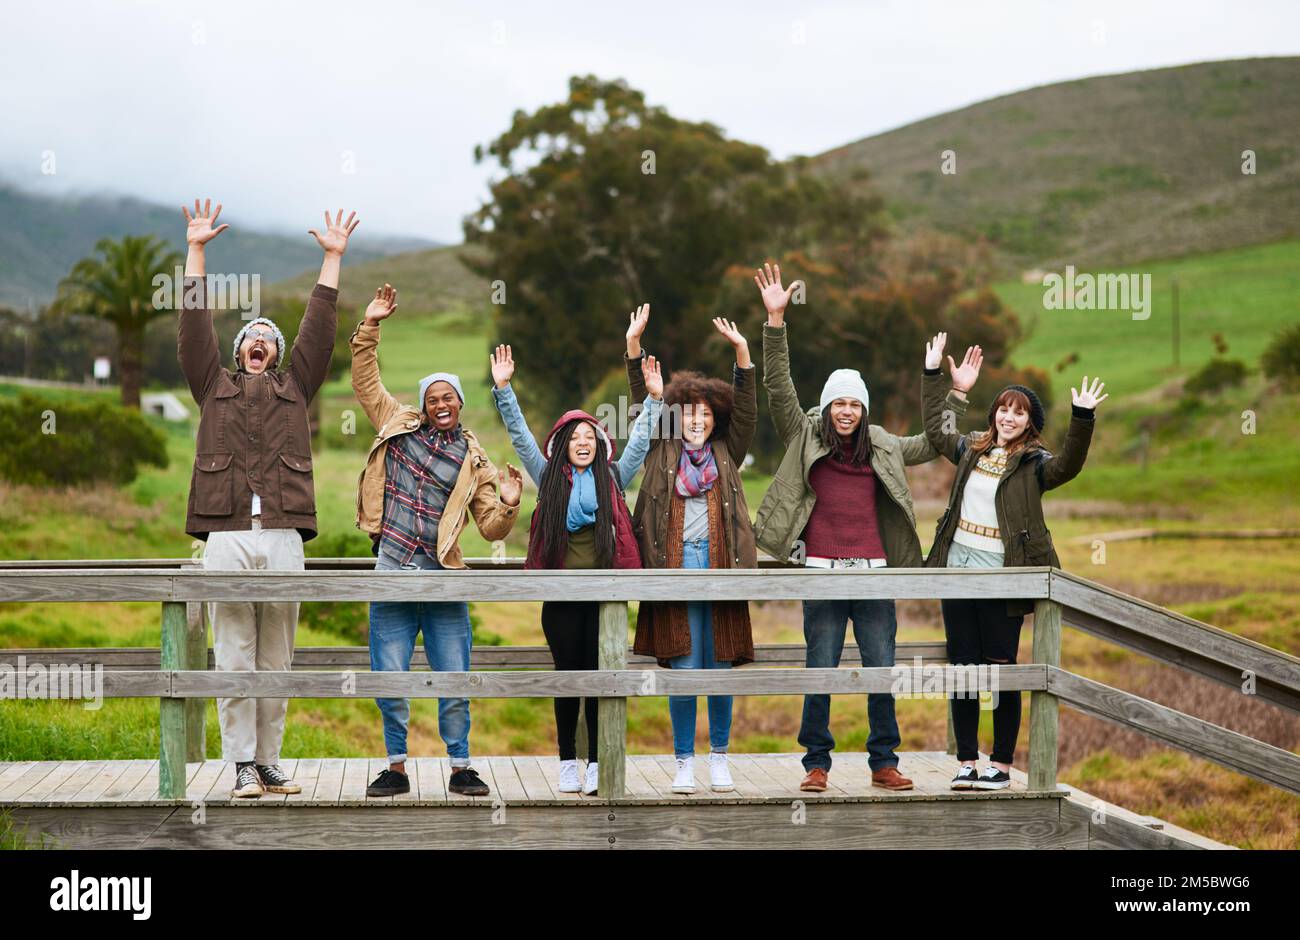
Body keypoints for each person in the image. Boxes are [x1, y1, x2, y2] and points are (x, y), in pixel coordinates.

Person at [751, 263, 970, 793]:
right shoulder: (804, 434)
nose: (847, 411)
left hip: (875, 574)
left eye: (855, 403)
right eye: (839, 403)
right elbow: (779, 387)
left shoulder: (884, 445)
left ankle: (883, 763)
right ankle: (816, 764)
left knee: (882, 669)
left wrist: (950, 392)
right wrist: (776, 323)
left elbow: (937, 443)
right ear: (827, 407)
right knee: (820, 668)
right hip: (820, 573)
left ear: (863, 409)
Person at [178, 200, 356, 799]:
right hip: (225, 535)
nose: (259, 341)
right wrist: (197, 251)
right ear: (237, 354)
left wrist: (332, 260)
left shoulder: (296, 387)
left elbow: (319, 330)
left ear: (278, 355)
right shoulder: (212, 385)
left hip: (282, 534)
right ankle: (241, 766)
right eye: (250, 337)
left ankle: (270, 763)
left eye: (268, 338)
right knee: (233, 657)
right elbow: (193, 327)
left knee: (276, 658)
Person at [350, 283, 523, 798]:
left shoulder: (475, 460)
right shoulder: (396, 425)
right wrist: (371, 325)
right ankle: (396, 768)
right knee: (390, 677)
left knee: (455, 677)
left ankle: (461, 767)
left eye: (448, 397)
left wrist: (510, 500)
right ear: (423, 405)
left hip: (444, 577)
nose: (440, 404)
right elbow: (365, 381)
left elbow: (490, 526)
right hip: (392, 568)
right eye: (433, 398)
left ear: (460, 404)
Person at [921, 332, 1104, 790]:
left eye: (1019, 412)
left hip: (1004, 576)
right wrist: (945, 384)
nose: (1008, 416)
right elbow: (935, 430)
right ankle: (966, 761)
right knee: (963, 667)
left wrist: (1082, 418)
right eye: (1003, 408)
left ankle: (1000, 767)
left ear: (1029, 423)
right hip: (958, 569)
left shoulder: (1035, 464)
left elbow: (1071, 465)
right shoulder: (971, 449)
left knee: (1002, 668)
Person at [490, 343, 662, 795]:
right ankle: (568, 760)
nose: (583, 444)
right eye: (575, 439)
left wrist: (656, 400)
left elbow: (641, 441)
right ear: (562, 446)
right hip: (561, 598)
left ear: (599, 445)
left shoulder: (612, 477)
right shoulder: (547, 475)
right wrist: (503, 389)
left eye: (590, 438)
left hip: (605, 599)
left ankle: (594, 764)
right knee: (569, 679)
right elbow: (521, 435)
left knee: (601, 680)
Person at [623, 304, 757, 794]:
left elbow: (747, 411)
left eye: (705, 413)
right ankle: (683, 760)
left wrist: (742, 353)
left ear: (713, 417)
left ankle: (719, 756)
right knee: (682, 664)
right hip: (673, 568)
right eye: (688, 413)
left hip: (722, 566)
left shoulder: (728, 452)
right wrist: (634, 348)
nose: (696, 420)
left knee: (719, 663)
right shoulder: (661, 448)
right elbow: (643, 405)